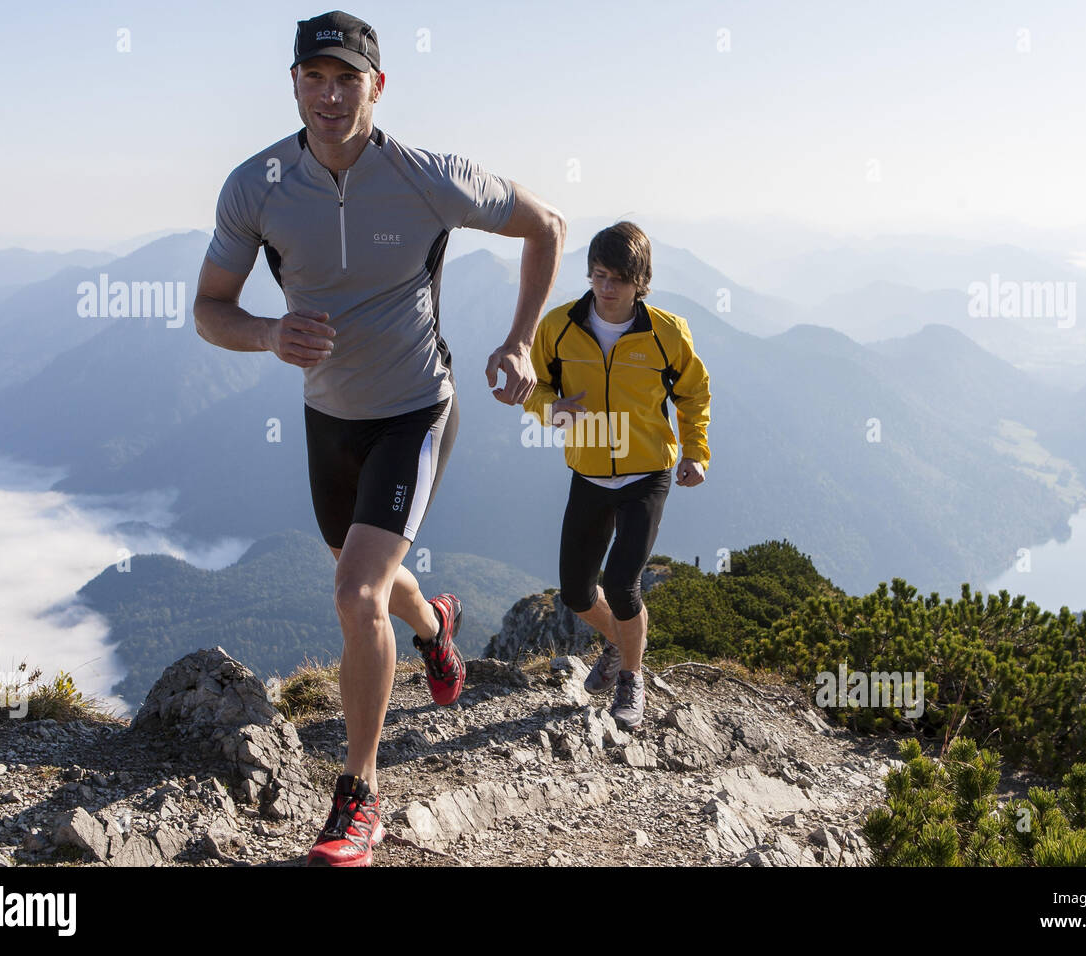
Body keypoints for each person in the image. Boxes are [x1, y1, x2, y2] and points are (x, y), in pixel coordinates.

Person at [192, 10, 565, 867]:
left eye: (346, 77)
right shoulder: (256, 186)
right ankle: (436, 628)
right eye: (313, 77)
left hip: (415, 409)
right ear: (293, 84)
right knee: (366, 575)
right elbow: (210, 309)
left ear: (378, 85)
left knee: (356, 594)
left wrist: (518, 342)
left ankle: (358, 799)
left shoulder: (427, 177)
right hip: (330, 417)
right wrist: (266, 336)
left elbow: (546, 226)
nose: (328, 94)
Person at [522, 222, 711, 730]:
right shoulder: (558, 327)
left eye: (620, 279)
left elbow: (693, 394)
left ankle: (631, 677)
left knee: (623, 582)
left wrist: (695, 452)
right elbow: (534, 387)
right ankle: (617, 640)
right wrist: (553, 409)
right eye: (599, 275)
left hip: (646, 471)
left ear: (640, 281)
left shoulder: (667, 332)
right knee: (576, 593)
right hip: (588, 472)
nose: (607, 288)